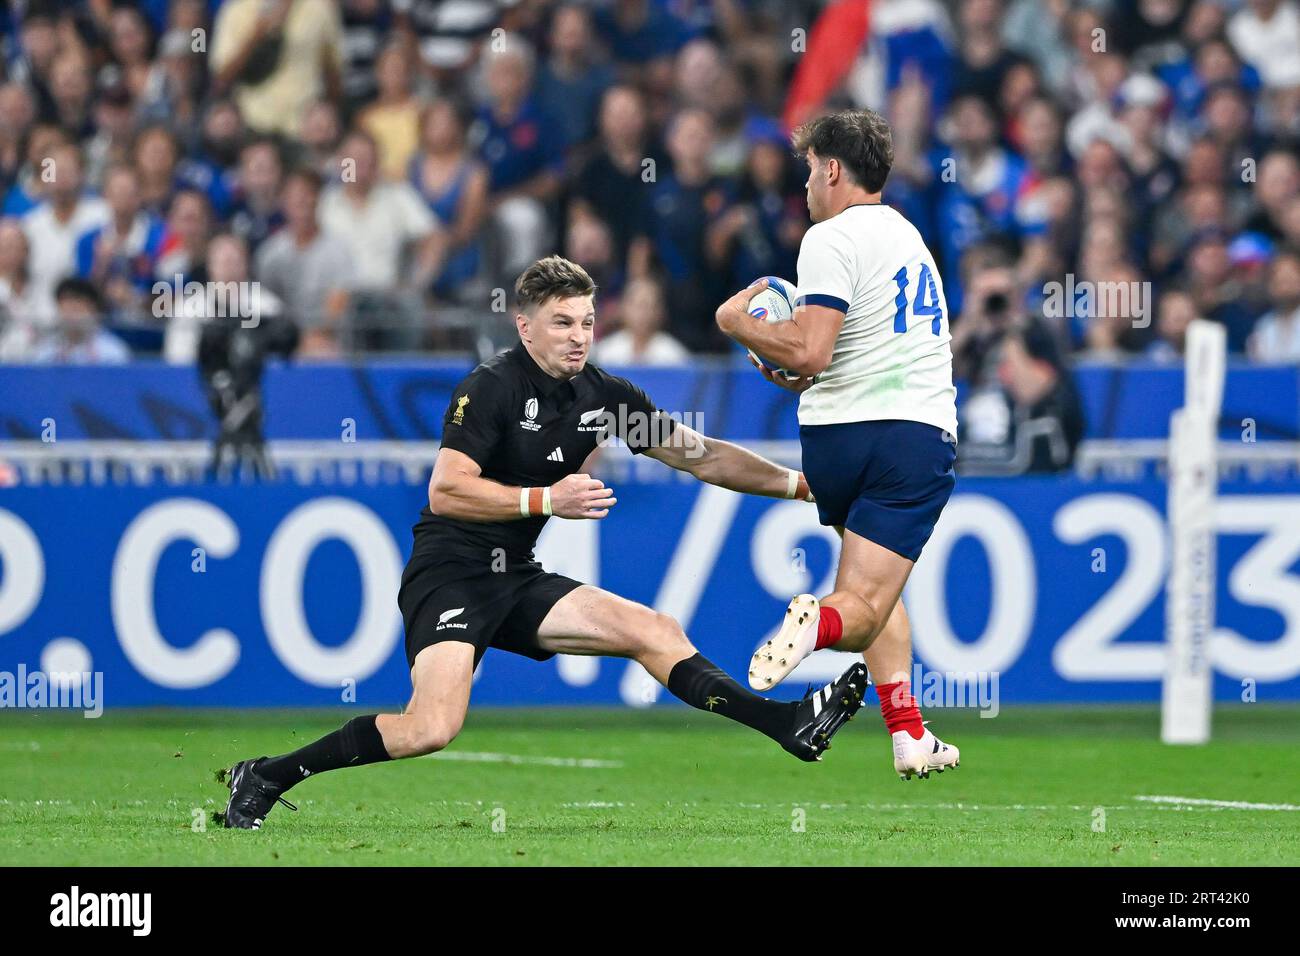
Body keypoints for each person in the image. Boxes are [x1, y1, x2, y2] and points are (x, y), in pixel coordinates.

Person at [220, 255, 868, 829]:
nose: (578, 336)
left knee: (656, 630)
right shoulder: (491, 386)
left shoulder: (604, 396)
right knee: (430, 728)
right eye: (562, 322)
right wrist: (546, 499)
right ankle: (269, 775)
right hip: (450, 573)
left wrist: (799, 485)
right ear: (524, 326)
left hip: (517, 575)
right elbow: (447, 490)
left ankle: (786, 723)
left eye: (587, 321)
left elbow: (699, 457)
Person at [714, 109, 961, 781]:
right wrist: (746, 327)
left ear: (832, 168)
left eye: (807, 169)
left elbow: (812, 355)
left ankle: (908, 733)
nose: (803, 186)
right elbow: (816, 351)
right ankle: (816, 625)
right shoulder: (907, 239)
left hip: (835, 438)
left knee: (879, 591)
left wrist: (741, 324)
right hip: (908, 435)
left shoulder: (829, 238)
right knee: (858, 610)